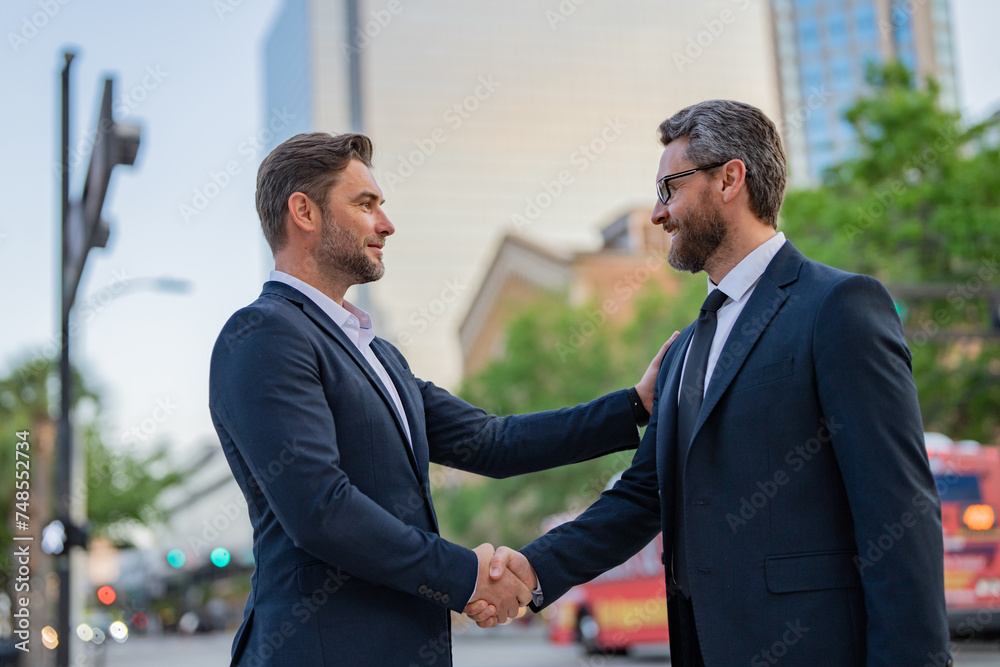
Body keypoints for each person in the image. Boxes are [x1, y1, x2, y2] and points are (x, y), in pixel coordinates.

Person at [468, 100, 951, 666]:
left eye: (669, 187)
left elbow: (899, 510)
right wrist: (532, 569)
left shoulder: (838, 307)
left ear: (729, 179)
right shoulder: (682, 351)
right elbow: (641, 495)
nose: (657, 213)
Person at [208, 131, 674, 666]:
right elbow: (321, 508)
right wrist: (468, 576)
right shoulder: (265, 334)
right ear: (304, 212)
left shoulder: (379, 356)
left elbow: (492, 442)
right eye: (366, 204)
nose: (386, 223)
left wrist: (634, 405)